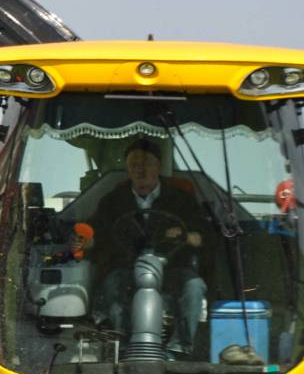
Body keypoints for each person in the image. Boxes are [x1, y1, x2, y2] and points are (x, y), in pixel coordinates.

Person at [85, 138, 213, 356]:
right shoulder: (113, 201)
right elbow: (96, 234)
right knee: (113, 284)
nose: (141, 170)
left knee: (194, 287)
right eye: (134, 165)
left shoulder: (182, 199)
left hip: (172, 267)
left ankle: (180, 348)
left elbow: (202, 236)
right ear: (127, 169)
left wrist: (186, 236)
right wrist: (87, 240)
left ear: (159, 167)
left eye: (147, 164)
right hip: (127, 267)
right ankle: (124, 347)